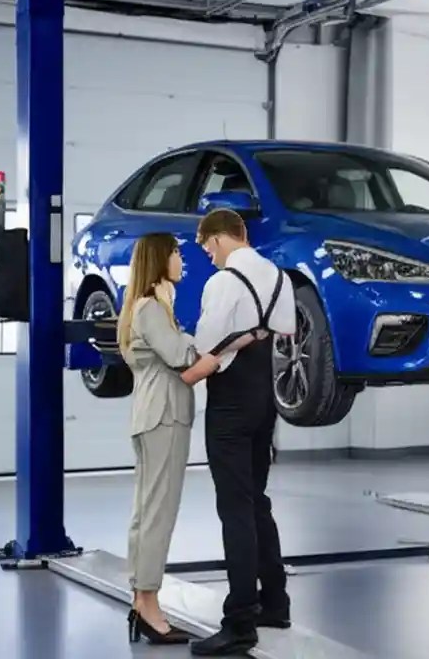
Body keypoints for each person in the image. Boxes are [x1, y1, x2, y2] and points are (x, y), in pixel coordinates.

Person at [116, 232, 258, 646]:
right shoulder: (151, 309)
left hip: (152, 417)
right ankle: (150, 606)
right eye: (176, 253)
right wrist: (232, 343)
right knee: (158, 513)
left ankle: (142, 600)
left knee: (146, 512)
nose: (183, 259)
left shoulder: (147, 307)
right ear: (159, 260)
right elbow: (182, 356)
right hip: (164, 419)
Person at [185, 208, 295, 657]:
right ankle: (276, 601)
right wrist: (251, 333)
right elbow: (284, 329)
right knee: (256, 500)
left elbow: (204, 342)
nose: (208, 257)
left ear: (220, 238)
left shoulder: (224, 283)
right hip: (264, 397)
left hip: (229, 401)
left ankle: (239, 622)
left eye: (206, 247)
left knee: (234, 507)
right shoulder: (281, 278)